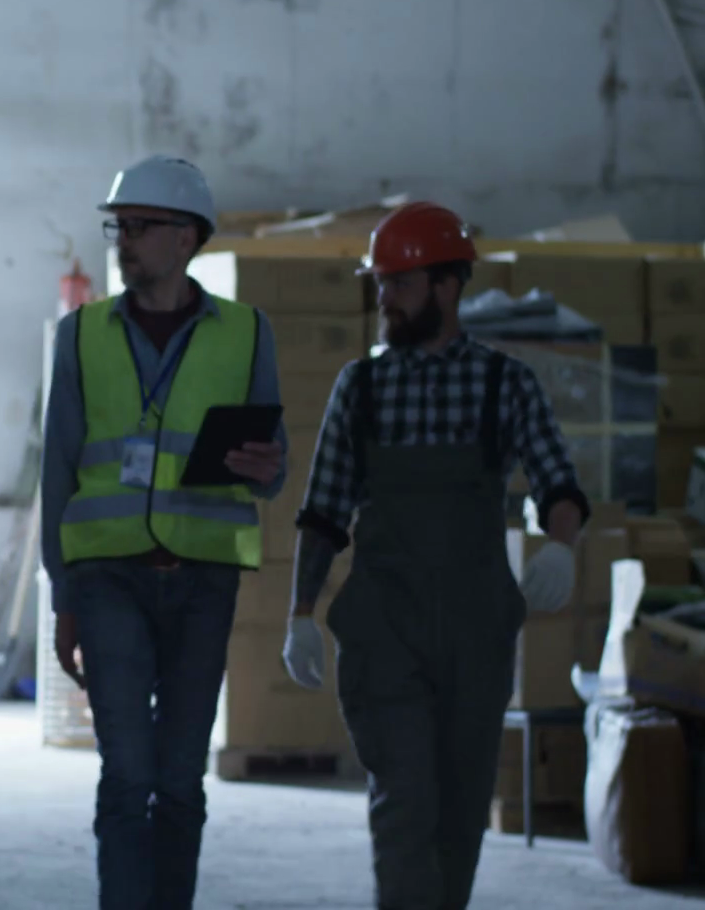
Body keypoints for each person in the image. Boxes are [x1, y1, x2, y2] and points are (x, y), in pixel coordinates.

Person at [281, 201, 583, 909]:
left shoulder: (505, 385)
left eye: (400, 284)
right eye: (379, 283)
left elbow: (557, 483)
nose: (383, 298)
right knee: (405, 802)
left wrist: (563, 546)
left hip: (476, 634)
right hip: (386, 628)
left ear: (449, 285)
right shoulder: (360, 389)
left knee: (460, 809)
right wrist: (300, 610)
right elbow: (323, 512)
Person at [40, 155, 289, 910]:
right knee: (127, 775)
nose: (124, 241)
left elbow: (272, 469)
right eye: (119, 226)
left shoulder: (247, 333)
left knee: (180, 779)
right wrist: (63, 594)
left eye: (140, 227)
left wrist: (266, 466)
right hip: (108, 576)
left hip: (204, 577)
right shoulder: (80, 335)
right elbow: (59, 468)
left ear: (186, 238)